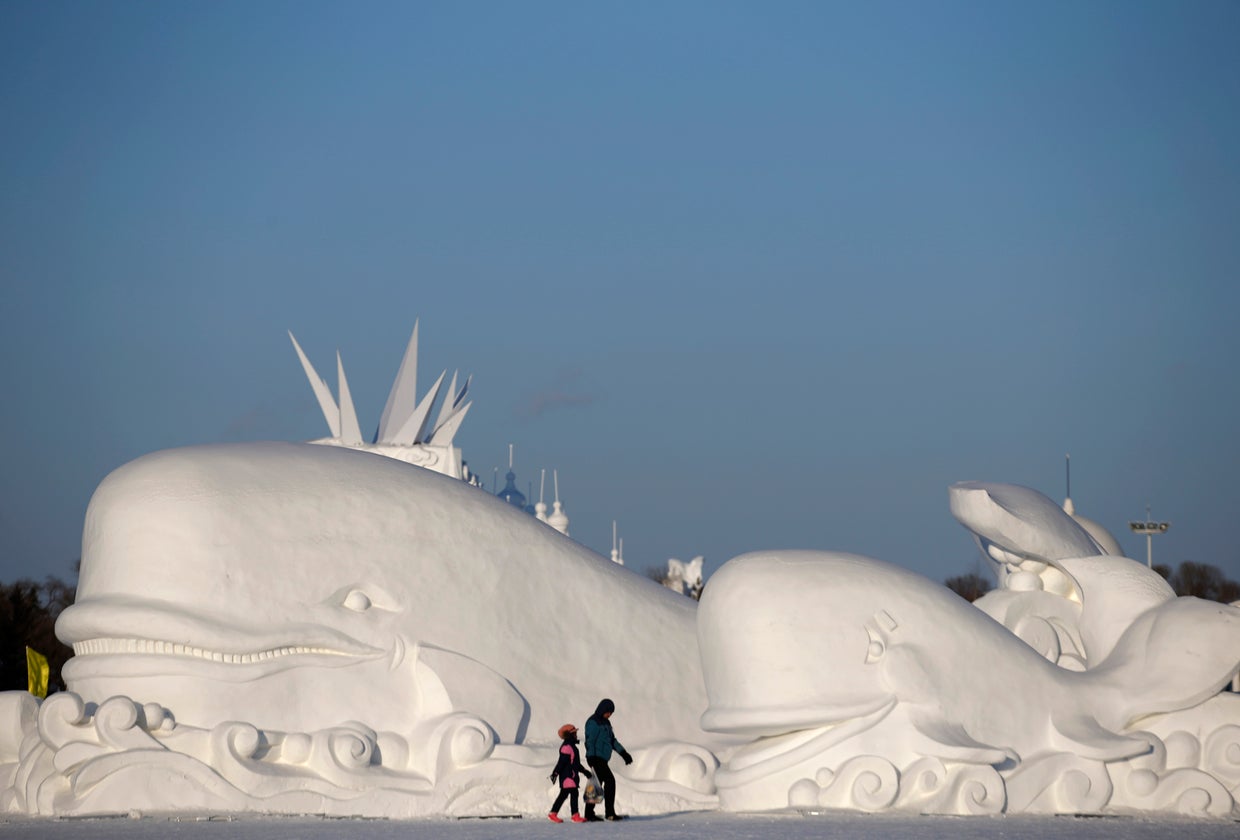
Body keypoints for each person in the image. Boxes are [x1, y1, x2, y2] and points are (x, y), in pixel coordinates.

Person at [583, 698, 632, 821]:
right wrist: (591, 757)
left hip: (603, 759)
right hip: (596, 758)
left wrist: (624, 753)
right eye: (608, 712)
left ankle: (590, 813)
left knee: (596, 785)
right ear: (603, 709)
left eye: (611, 713)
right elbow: (590, 741)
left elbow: (612, 741)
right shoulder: (593, 722)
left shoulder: (607, 724)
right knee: (608, 782)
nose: (609, 714)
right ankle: (608, 813)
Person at [548, 724, 591, 823]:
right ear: (569, 735)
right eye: (574, 733)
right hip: (567, 776)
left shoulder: (572, 747)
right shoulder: (567, 747)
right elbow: (561, 762)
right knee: (570, 793)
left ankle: (556, 813)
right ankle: (570, 815)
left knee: (567, 794)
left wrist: (585, 771)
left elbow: (576, 764)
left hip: (571, 776)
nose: (576, 735)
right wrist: (555, 773)